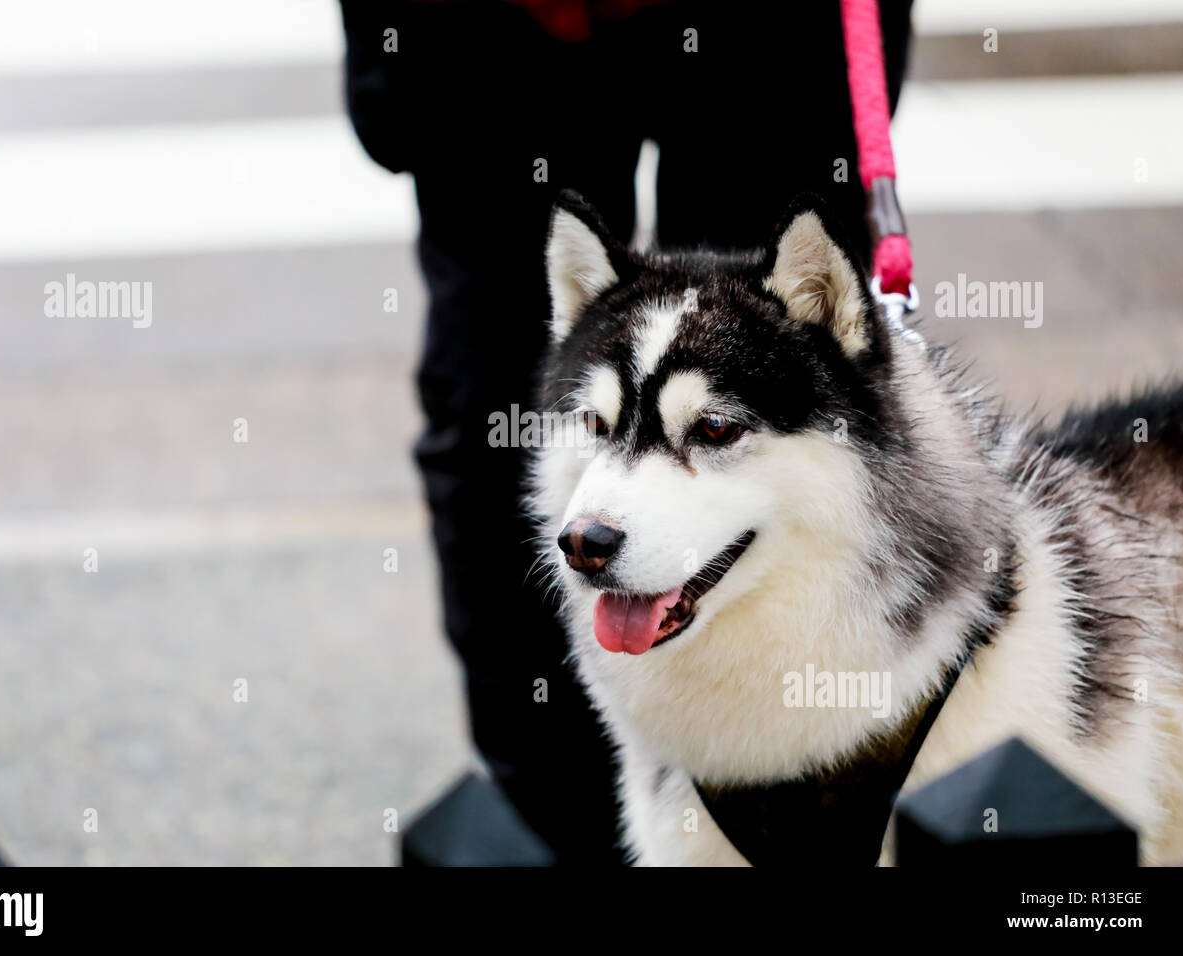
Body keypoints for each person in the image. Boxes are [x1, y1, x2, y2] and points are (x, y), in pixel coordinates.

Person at [341, 0, 913, 864]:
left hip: (766, 31)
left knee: (790, 404)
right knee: (493, 414)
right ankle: (563, 836)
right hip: (495, 32)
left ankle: (785, 818)